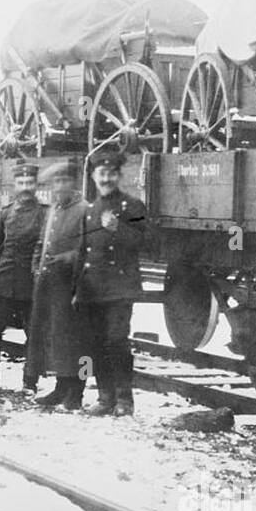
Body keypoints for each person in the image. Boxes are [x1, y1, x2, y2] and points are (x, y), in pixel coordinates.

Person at [74, 150, 148, 417]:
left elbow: (147, 242)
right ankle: (105, 397)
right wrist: (76, 289)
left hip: (119, 289)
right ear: (94, 176)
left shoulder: (133, 207)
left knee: (116, 341)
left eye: (111, 174)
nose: (106, 178)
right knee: (95, 343)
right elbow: (83, 253)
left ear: (118, 176)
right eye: (101, 174)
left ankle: (124, 399)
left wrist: (119, 227)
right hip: (92, 288)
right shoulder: (90, 210)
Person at [0, 161, 46, 395]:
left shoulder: (45, 213)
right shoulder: (6, 212)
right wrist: (3, 266)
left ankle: (30, 383)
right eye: (21, 183)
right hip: (4, 283)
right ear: (15, 185)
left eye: (29, 183)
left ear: (35, 185)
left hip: (31, 285)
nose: (25, 187)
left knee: (34, 334)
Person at [26, 159, 89, 410]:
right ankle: (61, 387)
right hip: (49, 282)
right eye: (57, 182)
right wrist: (35, 265)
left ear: (74, 183)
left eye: (65, 181)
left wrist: (66, 259)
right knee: (56, 337)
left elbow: (89, 251)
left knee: (78, 340)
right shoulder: (54, 209)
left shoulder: (85, 209)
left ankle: (77, 393)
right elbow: (43, 242)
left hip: (73, 284)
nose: (61, 186)